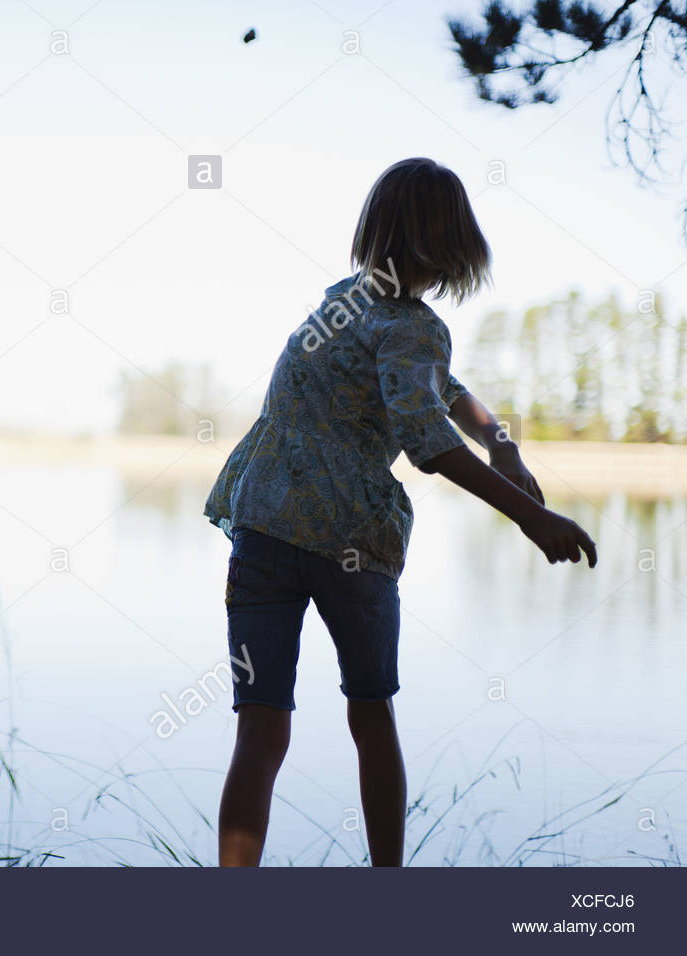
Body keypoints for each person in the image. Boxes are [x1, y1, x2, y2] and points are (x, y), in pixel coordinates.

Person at [205, 157, 598, 868]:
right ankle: (389, 891)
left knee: (260, 734)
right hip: (347, 541)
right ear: (454, 243)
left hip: (261, 528)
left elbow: (442, 390)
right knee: (372, 717)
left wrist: (502, 443)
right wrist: (529, 516)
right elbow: (426, 437)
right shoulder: (413, 326)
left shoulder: (342, 304)